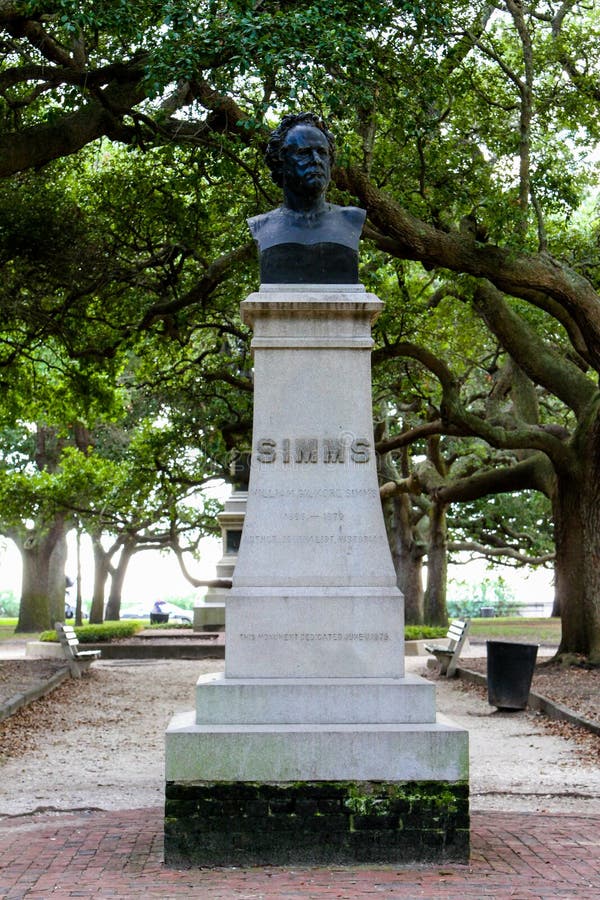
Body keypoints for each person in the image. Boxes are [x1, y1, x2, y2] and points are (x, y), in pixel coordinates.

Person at [248, 112, 365, 283]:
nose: (316, 160)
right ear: (280, 163)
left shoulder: (352, 220)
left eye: (322, 152)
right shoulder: (262, 226)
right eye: (304, 152)